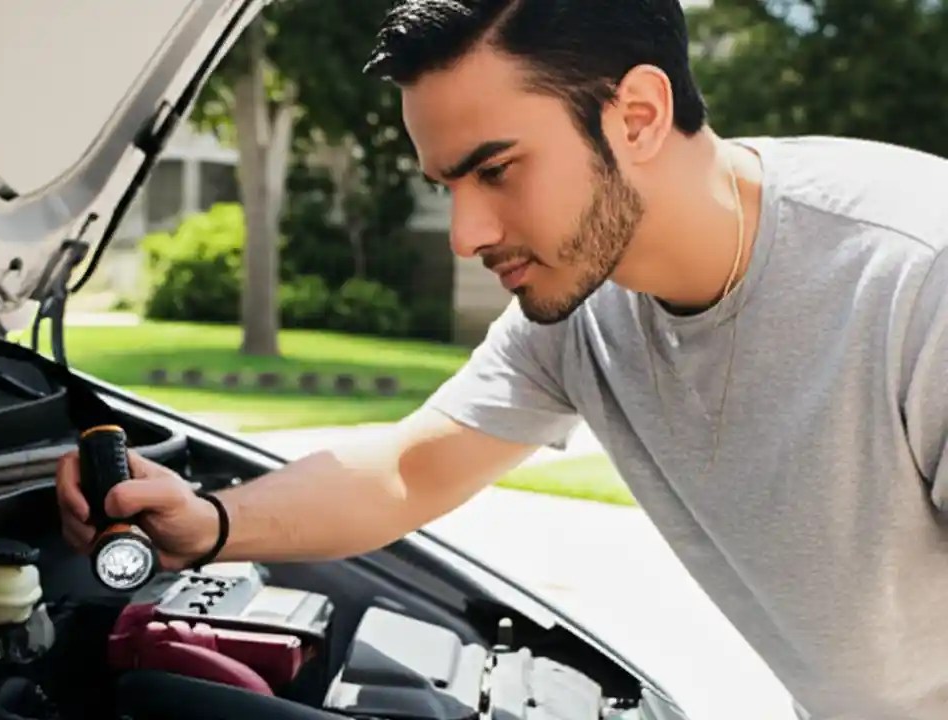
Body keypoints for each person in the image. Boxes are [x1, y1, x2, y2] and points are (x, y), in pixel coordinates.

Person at [56, 1, 948, 718]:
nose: (466, 234)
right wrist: (209, 522)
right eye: (447, 185)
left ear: (638, 116)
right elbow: (409, 469)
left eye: (496, 170)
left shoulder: (918, 278)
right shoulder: (581, 308)